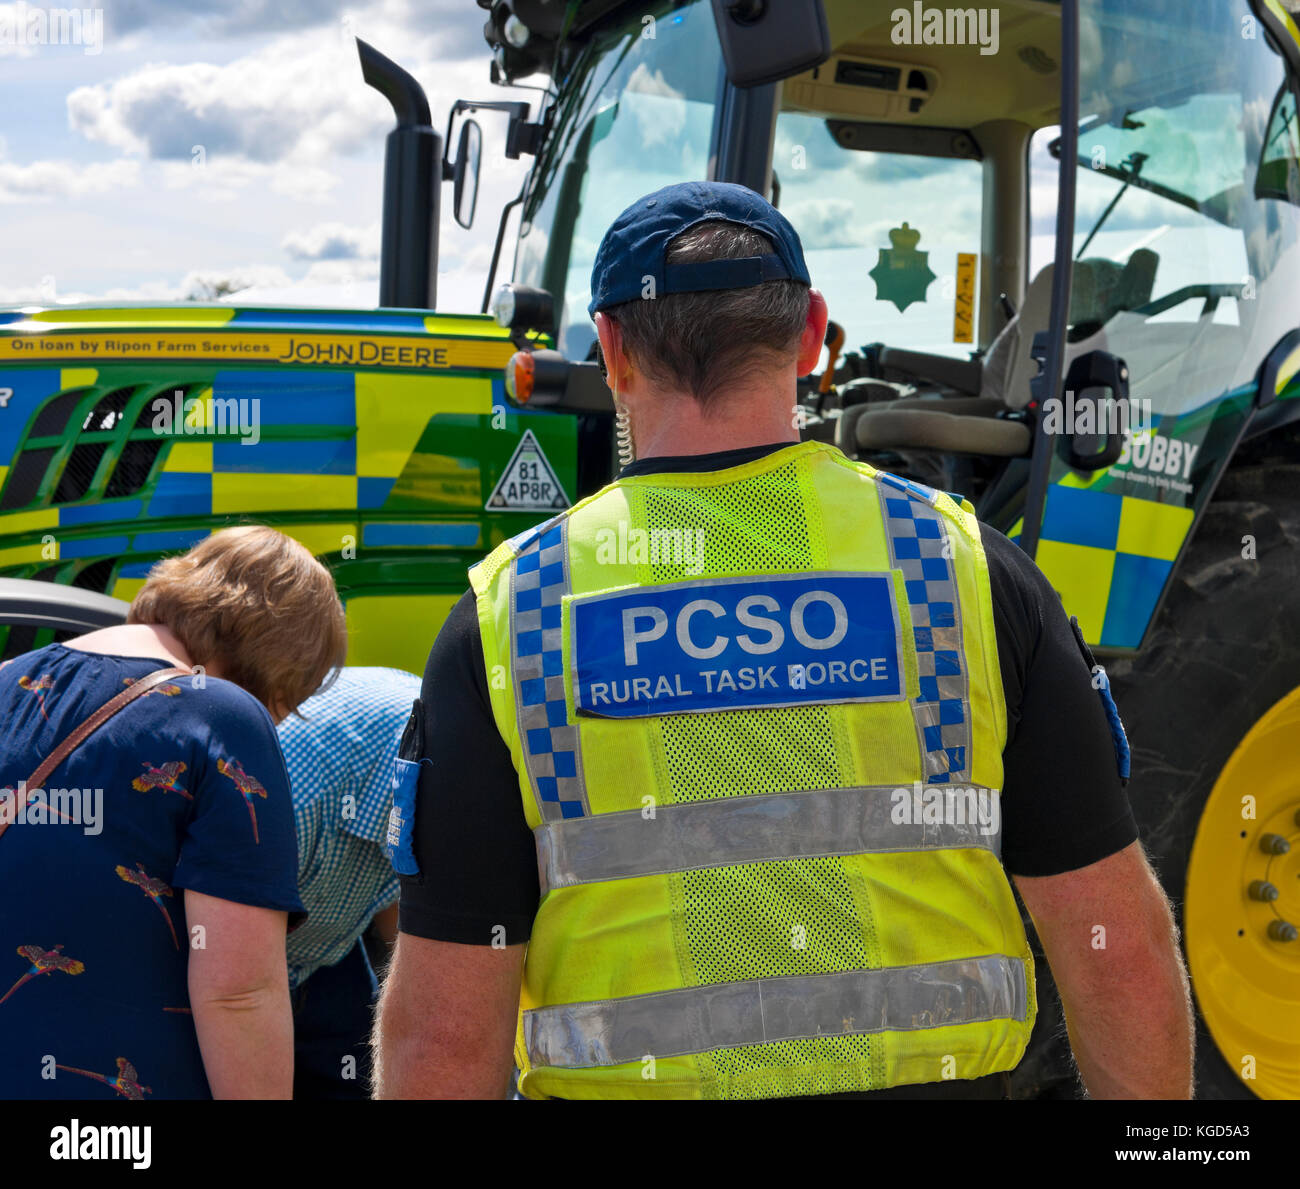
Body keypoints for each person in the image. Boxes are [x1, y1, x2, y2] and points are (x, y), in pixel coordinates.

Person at [373, 181, 1194, 1101]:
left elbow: (446, 1036)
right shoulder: (961, 571)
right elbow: (1117, 949)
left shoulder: (515, 612)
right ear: (810, 333)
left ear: (610, 351)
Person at [0, 525, 346, 1099]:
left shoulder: (9, 680)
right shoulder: (220, 717)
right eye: (291, 701)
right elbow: (239, 992)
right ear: (279, 662)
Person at [276, 665, 420, 1099]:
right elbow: (234, 986)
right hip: (244, 969)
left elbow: (409, 913)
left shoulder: (421, 771)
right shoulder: (289, 807)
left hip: (326, 957)